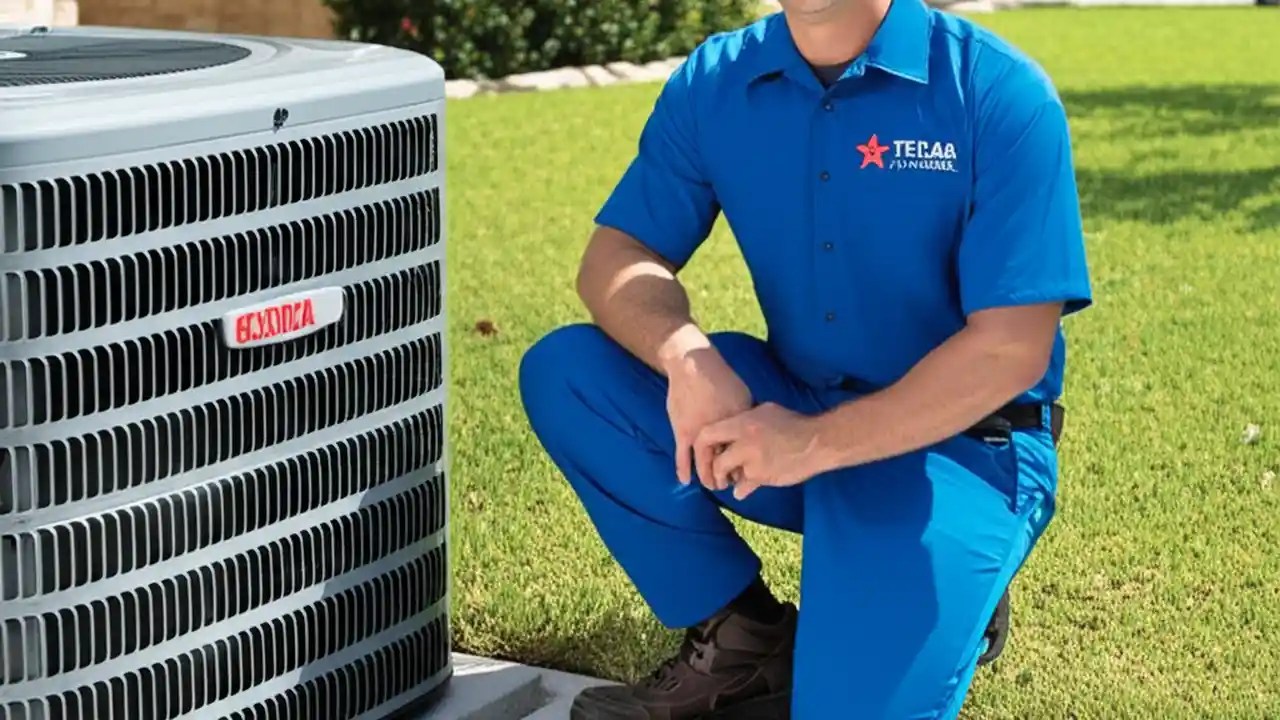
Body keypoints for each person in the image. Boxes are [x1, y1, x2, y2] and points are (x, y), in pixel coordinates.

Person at [518, 0, 1092, 716]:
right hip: (797, 399)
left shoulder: (998, 91)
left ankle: (954, 572)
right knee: (573, 376)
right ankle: (744, 640)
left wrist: (811, 444)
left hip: (962, 445)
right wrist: (686, 354)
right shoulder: (718, 79)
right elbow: (618, 254)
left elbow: (1011, 349)